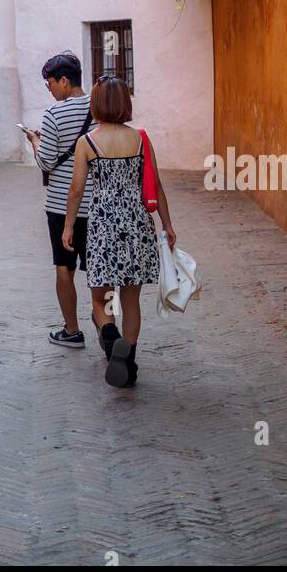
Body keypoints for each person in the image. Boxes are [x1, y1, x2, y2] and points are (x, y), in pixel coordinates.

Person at [63, 75, 177, 388]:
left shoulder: (87, 142)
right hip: (137, 221)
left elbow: (76, 190)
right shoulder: (140, 138)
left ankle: (111, 340)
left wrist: (69, 226)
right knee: (131, 299)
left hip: (102, 223)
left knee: (100, 298)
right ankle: (129, 358)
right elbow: (155, 185)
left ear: (96, 104)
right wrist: (167, 225)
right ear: (125, 102)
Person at [25, 52, 95, 348]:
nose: (50, 89)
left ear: (64, 80)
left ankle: (72, 330)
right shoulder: (100, 107)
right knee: (97, 268)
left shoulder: (54, 114)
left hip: (60, 204)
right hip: (96, 202)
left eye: (50, 83)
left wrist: (35, 142)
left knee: (63, 267)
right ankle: (107, 326)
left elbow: (45, 162)